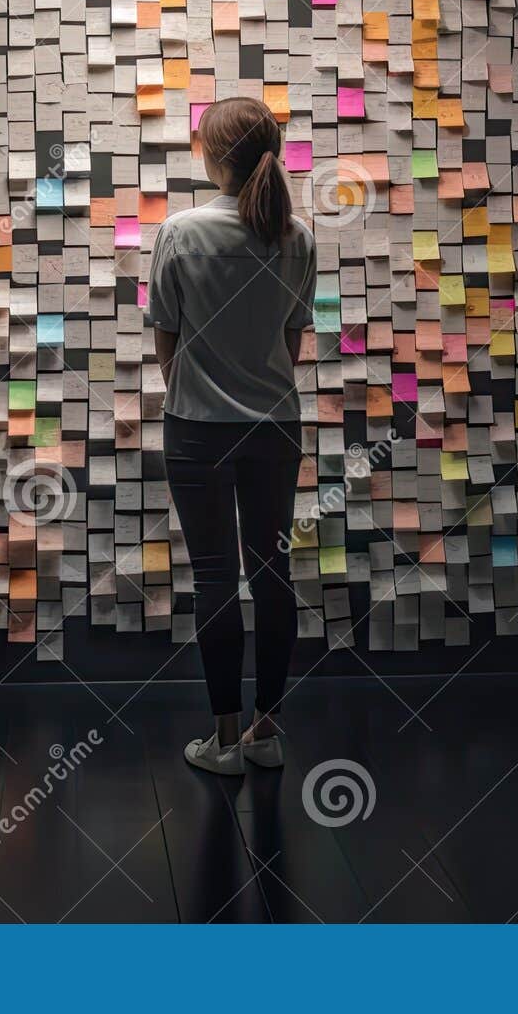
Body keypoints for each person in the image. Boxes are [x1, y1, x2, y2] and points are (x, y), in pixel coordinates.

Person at [144, 96, 318, 775]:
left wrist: (195, 386)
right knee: (272, 574)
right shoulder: (297, 236)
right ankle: (267, 731)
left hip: (197, 427)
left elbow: (166, 337)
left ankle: (221, 742)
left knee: (215, 576)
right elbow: (291, 341)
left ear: (210, 157)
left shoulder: (180, 230)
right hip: (276, 424)